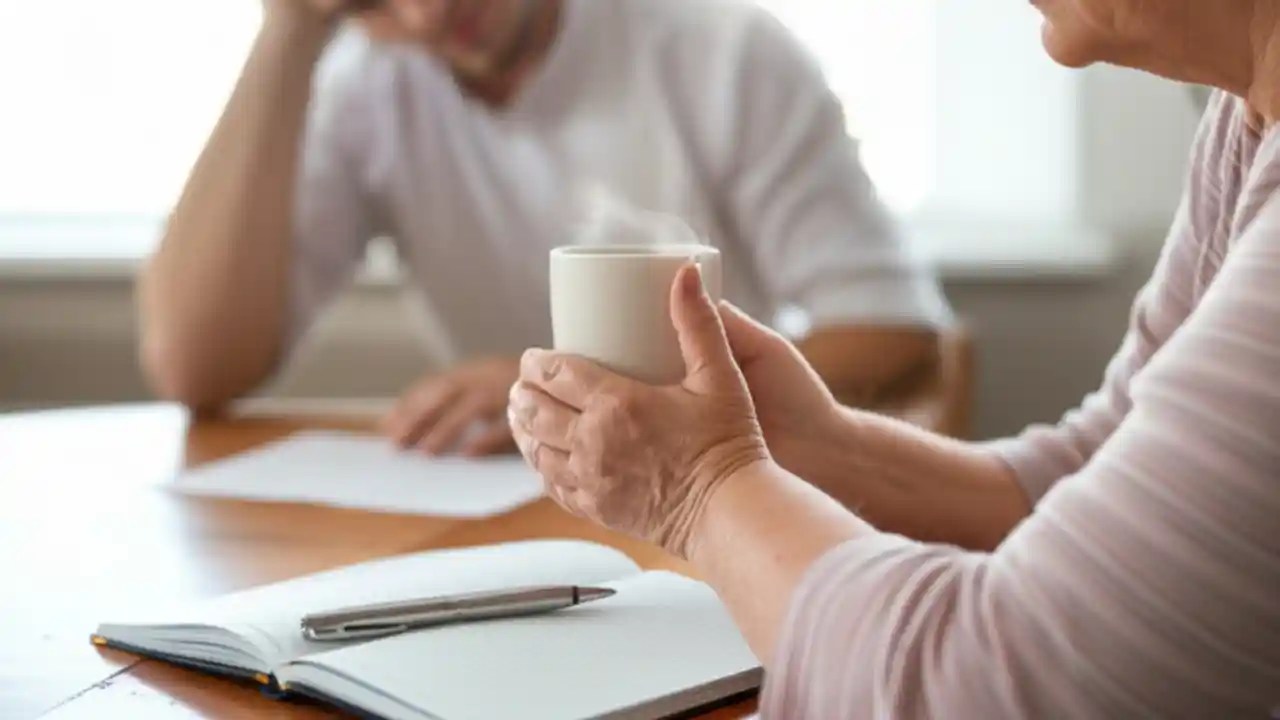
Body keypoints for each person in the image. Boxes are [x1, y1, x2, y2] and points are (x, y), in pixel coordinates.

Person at [509, 0, 1280, 715]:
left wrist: (701, 488)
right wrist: (819, 448)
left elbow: (991, 686)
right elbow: (1092, 469)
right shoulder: (1246, 116)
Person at [136, 0, 950, 456]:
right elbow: (194, 364)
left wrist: (580, 388)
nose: (426, 14)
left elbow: (898, 342)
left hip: (715, 497)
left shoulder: (721, 52)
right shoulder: (369, 85)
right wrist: (286, 29)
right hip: (508, 515)